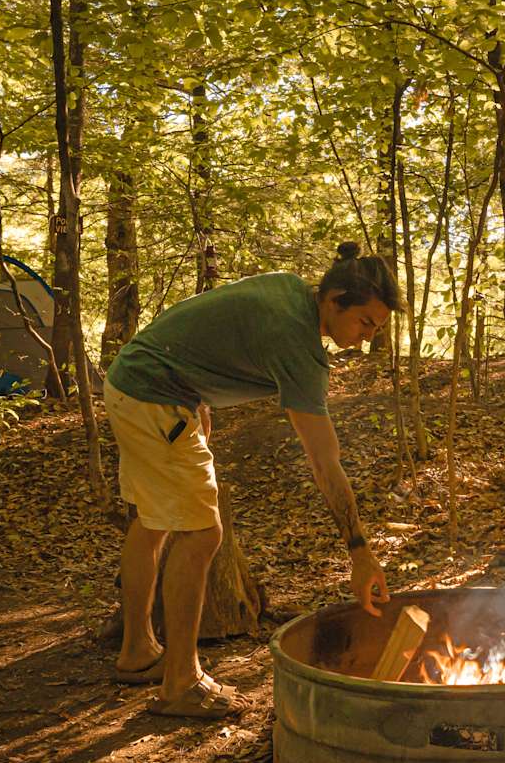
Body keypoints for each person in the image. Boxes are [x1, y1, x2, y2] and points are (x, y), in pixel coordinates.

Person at [104, 242, 398, 718]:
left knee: (153, 521)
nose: (365, 338)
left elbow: (210, 325)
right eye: (364, 322)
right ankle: (180, 683)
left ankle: (139, 651)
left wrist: (195, 389)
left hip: (131, 381)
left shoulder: (288, 289)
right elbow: (325, 463)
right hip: (156, 398)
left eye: (375, 329)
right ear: (334, 298)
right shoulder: (298, 346)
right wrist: (359, 550)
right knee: (202, 533)